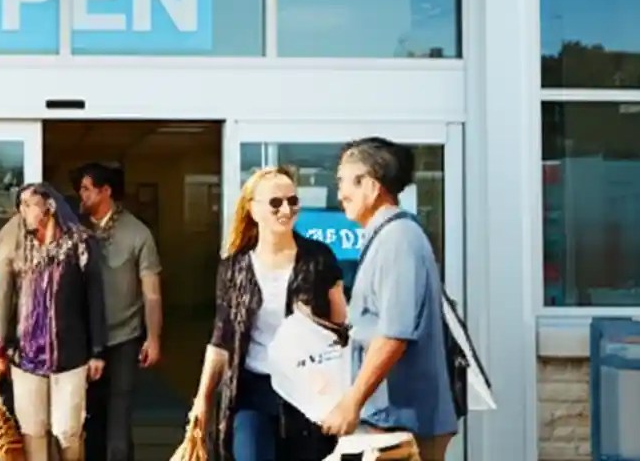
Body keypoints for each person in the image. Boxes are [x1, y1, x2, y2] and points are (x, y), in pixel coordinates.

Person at [188, 166, 346, 460]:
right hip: (253, 390)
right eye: (275, 203)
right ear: (253, 209)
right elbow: (221, 340)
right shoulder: (234, 267)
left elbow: (341, 325)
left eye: (293, 201)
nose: (286, 209)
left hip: (308, 389)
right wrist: (202, 401)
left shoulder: (318, 258)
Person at [320, 138, 456, 461]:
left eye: (344, 182)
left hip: (401, 429)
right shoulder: (384, 237)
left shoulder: (399, 240)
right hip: (387, 424)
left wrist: (352, 401)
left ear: (370, 184)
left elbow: (395, 335)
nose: (339, 195)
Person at [0, 183, 107, 461]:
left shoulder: (80, 244)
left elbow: (95, 298)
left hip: (70, 356)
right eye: (21, 205)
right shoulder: (18, 246)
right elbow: (6, 299)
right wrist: (1, 348)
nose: (24, 211)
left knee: (68, 430)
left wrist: (97, 351)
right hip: (26, 357)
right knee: (33, 429)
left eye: (29, 204)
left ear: (49, 207)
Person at [75, 162, 162, 461]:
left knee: (119, 416)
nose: (81, 195)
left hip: (125, 337)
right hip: (85, 339)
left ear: (106, 191)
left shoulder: (137, 233)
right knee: (90, 417)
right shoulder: (75, 231)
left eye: (86, 189)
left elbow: (151, 291)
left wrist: (153, 337)